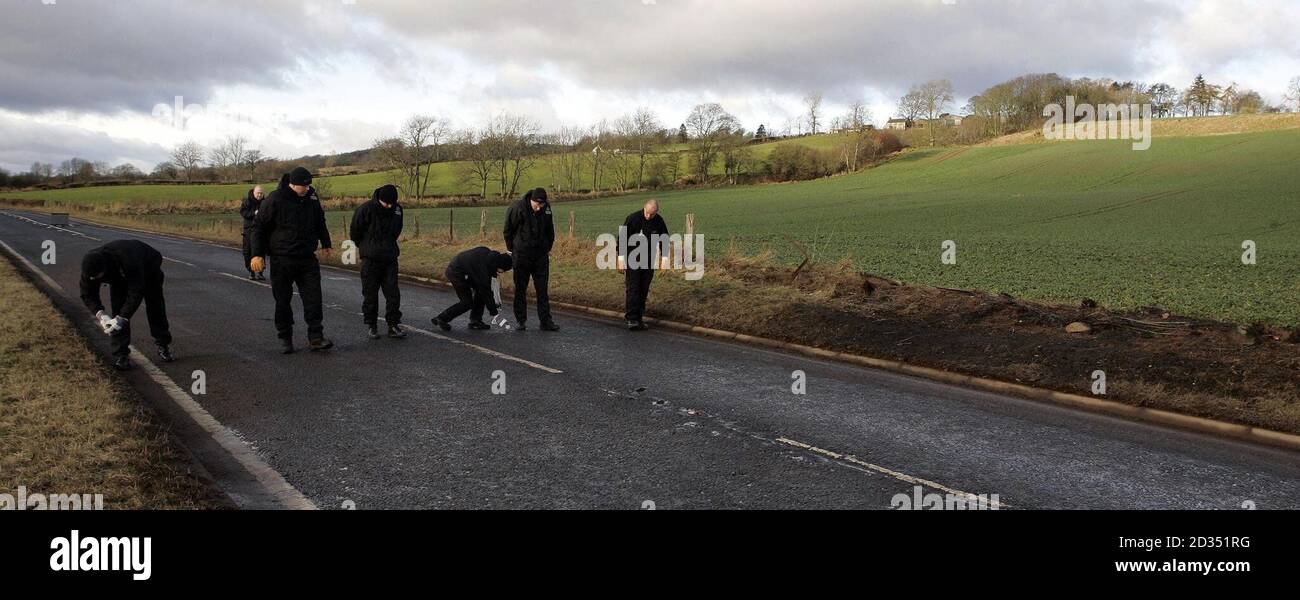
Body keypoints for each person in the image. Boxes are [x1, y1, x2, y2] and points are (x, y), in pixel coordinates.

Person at [251, 167, 334, 354]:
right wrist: (257, 254)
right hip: (282, 259)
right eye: (303, 186)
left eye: (308, 185)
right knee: (282, 301)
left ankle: (316, 337)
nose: (306, 189)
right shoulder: (275, 199)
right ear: (292, 184)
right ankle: (285, 337)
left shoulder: (311, 198)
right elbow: (258, 228)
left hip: (307, 258)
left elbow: (320, 220)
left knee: (314, 298)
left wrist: (326, 242)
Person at [79, 239, 174, 371]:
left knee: (155, 306)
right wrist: (100, 315)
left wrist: (123, 318)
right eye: (92, 278)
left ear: (104, 268)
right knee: (117, 309)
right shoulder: (89, 269)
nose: (95, 280)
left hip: (148, 268)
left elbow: (136, 292)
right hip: (119, 276)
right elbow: (87, 294)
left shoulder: (129, 260)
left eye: (98, 277)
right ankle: (121, 355)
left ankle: (163, 344)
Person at [350, 184, 405, 339]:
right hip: (370, 259)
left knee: (393, 293)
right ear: (379, 199)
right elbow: (355, 231)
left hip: (390, 257)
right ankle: (372, 325)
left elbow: (397, 230)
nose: (388, 206)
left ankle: (393, 325)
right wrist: (367, 247)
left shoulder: (397, 210)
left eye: (391, 203)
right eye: (386, 203)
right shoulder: (365, 209)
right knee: (370, 293)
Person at [502, 187, 557, 331]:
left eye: (542, 205)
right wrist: (512, 250)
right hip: (522, 255)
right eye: (536, 205)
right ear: (531, 200)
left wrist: (547, 247)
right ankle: (521, 320)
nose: (539, 208)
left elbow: (550, 230)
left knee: (542, 290)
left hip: (540, 256)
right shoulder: (518, 208)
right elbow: (508, 230)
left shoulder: (546, 209)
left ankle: (545, 321)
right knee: (520, 289)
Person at [430, 247, 514, 331]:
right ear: (499, 265)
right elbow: (486, 292)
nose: (501, 273)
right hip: (456, 274)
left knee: (480, 293)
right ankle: (442, 318)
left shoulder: (487, 254)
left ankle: (475, 321)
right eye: (502, 270)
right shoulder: (484, 271)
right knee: (467, 302)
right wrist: (494, 312)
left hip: (465, 271)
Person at [619, 199, 669, 331]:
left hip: (649, 261)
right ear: (644, 208)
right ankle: (632, 319)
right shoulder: (633, 218)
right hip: (632, 259)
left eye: (652, 214)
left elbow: (664, 239)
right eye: (647, 213)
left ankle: (639, 318)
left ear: (656, 212)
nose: (648, 216)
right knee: (633, 288)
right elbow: (622, 238)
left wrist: (664, 260)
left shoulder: (659, 221)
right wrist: (620, 258)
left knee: (644, 289)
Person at [239, 185, 266, 280]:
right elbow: (243, 213)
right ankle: (251, 271)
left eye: (261, 193)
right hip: (249, 230)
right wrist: (254, 213)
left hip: (261, 231)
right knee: (248, 252)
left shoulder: (265, 203)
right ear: (254, 192)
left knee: (260, 252)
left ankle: (260, 271)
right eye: (258, 193)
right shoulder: (247, 201)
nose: (259, 195)